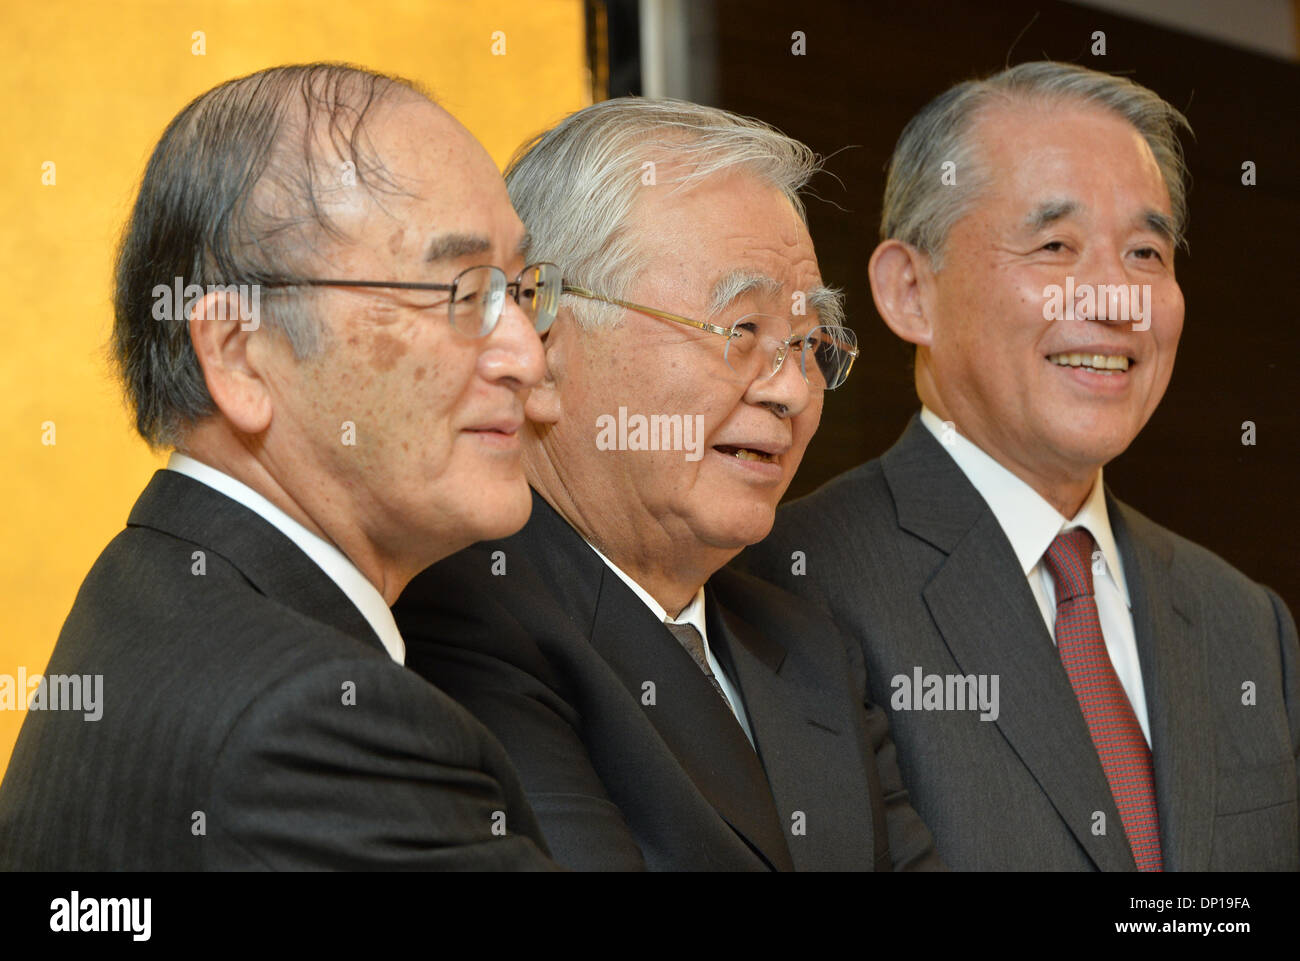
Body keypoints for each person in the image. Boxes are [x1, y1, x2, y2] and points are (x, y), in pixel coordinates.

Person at [0, 63, 561, 870]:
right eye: (461, 291)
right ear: (240, 355)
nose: (523, 354)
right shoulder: (315, 730)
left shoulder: (154, 589)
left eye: (521, 289)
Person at [741, 61, 1299, 870]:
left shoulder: (1245, 623)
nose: (1116, 299)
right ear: (910, 292)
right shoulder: (796, 586)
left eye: (1146, 253)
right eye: (1055, 245)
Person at [394, 98, 940, 871]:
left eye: (810, 342)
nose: (790, 389)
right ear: (543, 337)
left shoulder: (806, 643)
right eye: (741, 332)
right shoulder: (462, 617)